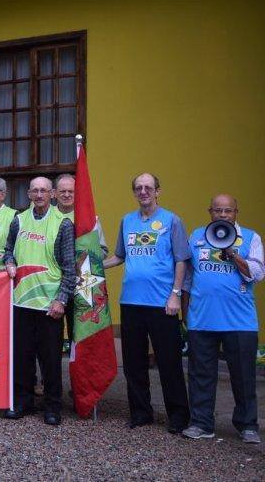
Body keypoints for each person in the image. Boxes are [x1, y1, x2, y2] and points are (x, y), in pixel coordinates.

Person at [103, 173, 190, 433]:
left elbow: (181, 260)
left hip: (162, 303)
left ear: (157, 191)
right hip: (131, 302)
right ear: (134, 192)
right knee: (133, 362)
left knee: (168, 362)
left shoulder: (171, 220)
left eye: (148, 187)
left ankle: (178, 415)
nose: (143, 192)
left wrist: (175, 293)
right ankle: (141, 412)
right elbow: (118, 256)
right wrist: (92, 265)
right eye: (138, 188)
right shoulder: (126, 221)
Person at [181, 195, 263, 444]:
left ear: (236, 212)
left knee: (243, 376)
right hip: (202, 319)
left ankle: (247, 425)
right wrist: (185, 312)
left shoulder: (251, 237)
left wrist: (232, 253)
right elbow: (186, 277)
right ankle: (201, 423)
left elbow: (257, 273)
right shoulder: (196, 236)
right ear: (210, 212)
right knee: (200, 375)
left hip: (240, 322)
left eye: (228, 210)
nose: (223, 215)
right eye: (218, 210)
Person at [3, 177, 76, 426]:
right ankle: (23, 402)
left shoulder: (63, 223)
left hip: (49, 303)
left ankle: (52, 406)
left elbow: (69, 267)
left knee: (51, 359)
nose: (39, 194)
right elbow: (8, 250)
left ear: (53, 194)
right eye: (35, 190)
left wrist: (61, 300)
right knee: (22, 356)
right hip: (21, 300)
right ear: (28, 194)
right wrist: (9, 262)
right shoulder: (19, 220)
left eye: (44, 190)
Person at [54, 173, 109, 353]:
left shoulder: (89, 218)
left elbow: (102, 251)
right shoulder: (48, 216)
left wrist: (84, 256)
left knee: (79, 340)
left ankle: (80, 381)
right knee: (51, 340)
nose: (67, 195)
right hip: (52, 285)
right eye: (63, 191)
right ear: (54, 193)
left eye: (71, 191)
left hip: (81, 288)